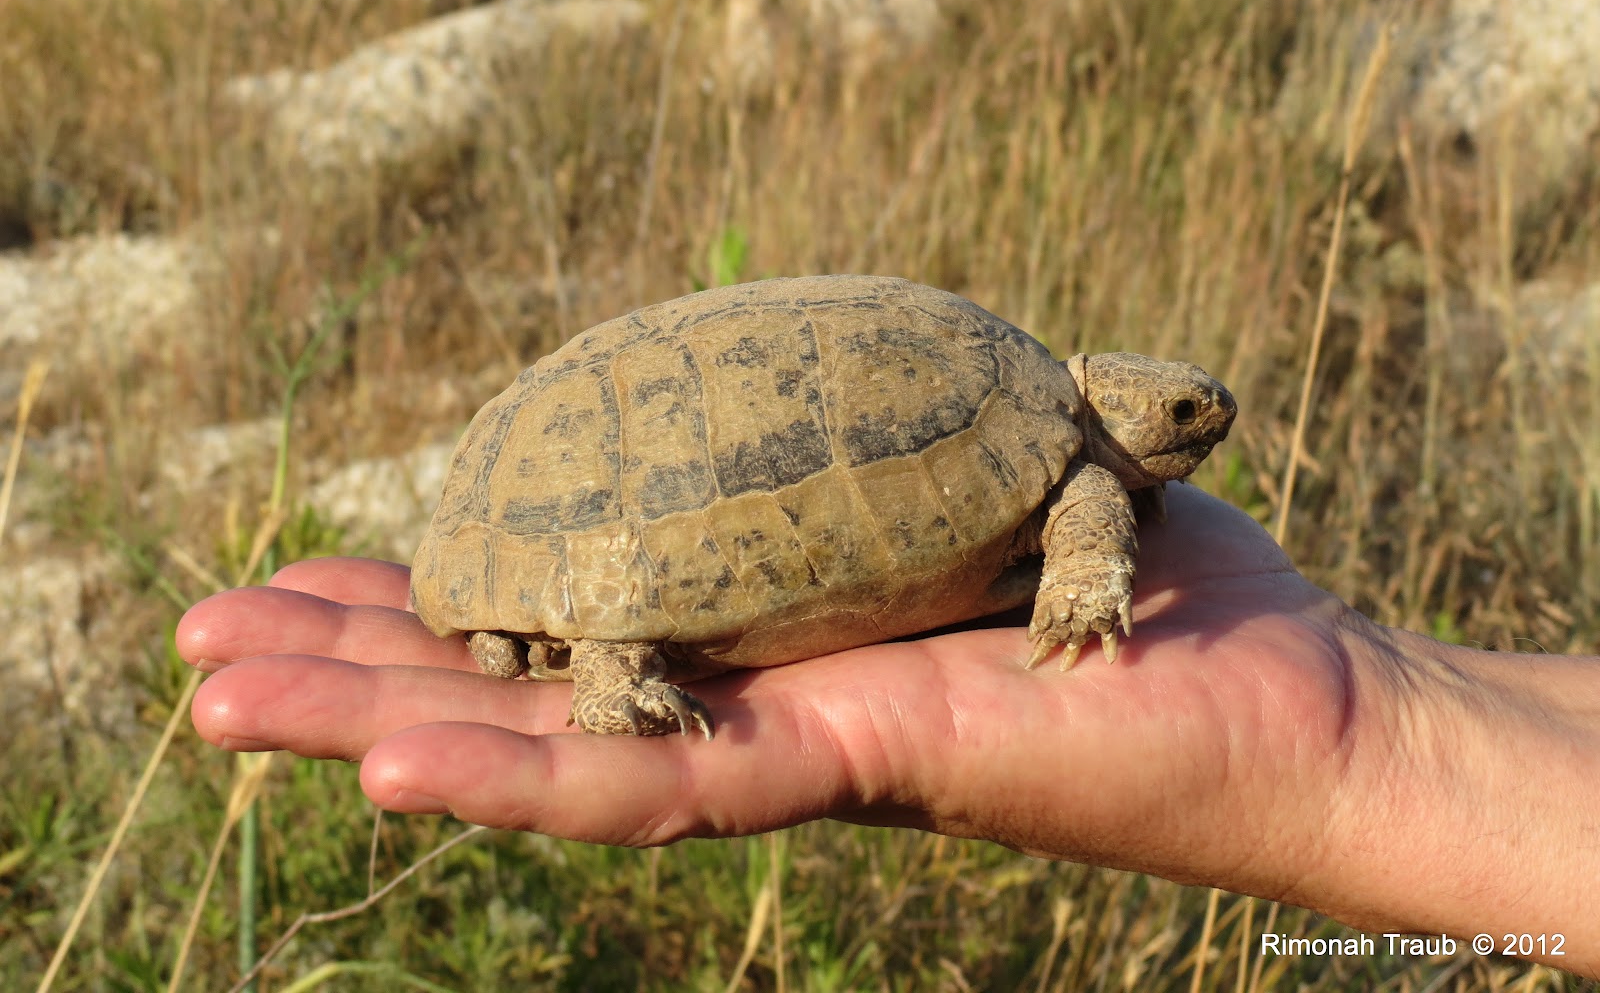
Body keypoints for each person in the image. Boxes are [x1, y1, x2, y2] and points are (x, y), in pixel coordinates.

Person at [178, 483, 1598, 976]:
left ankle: (588, 640)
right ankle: (599, 646)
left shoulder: (1090, 486)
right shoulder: (1074, 480)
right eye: (1175, 419)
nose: (1199, 431)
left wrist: (1367, 730)